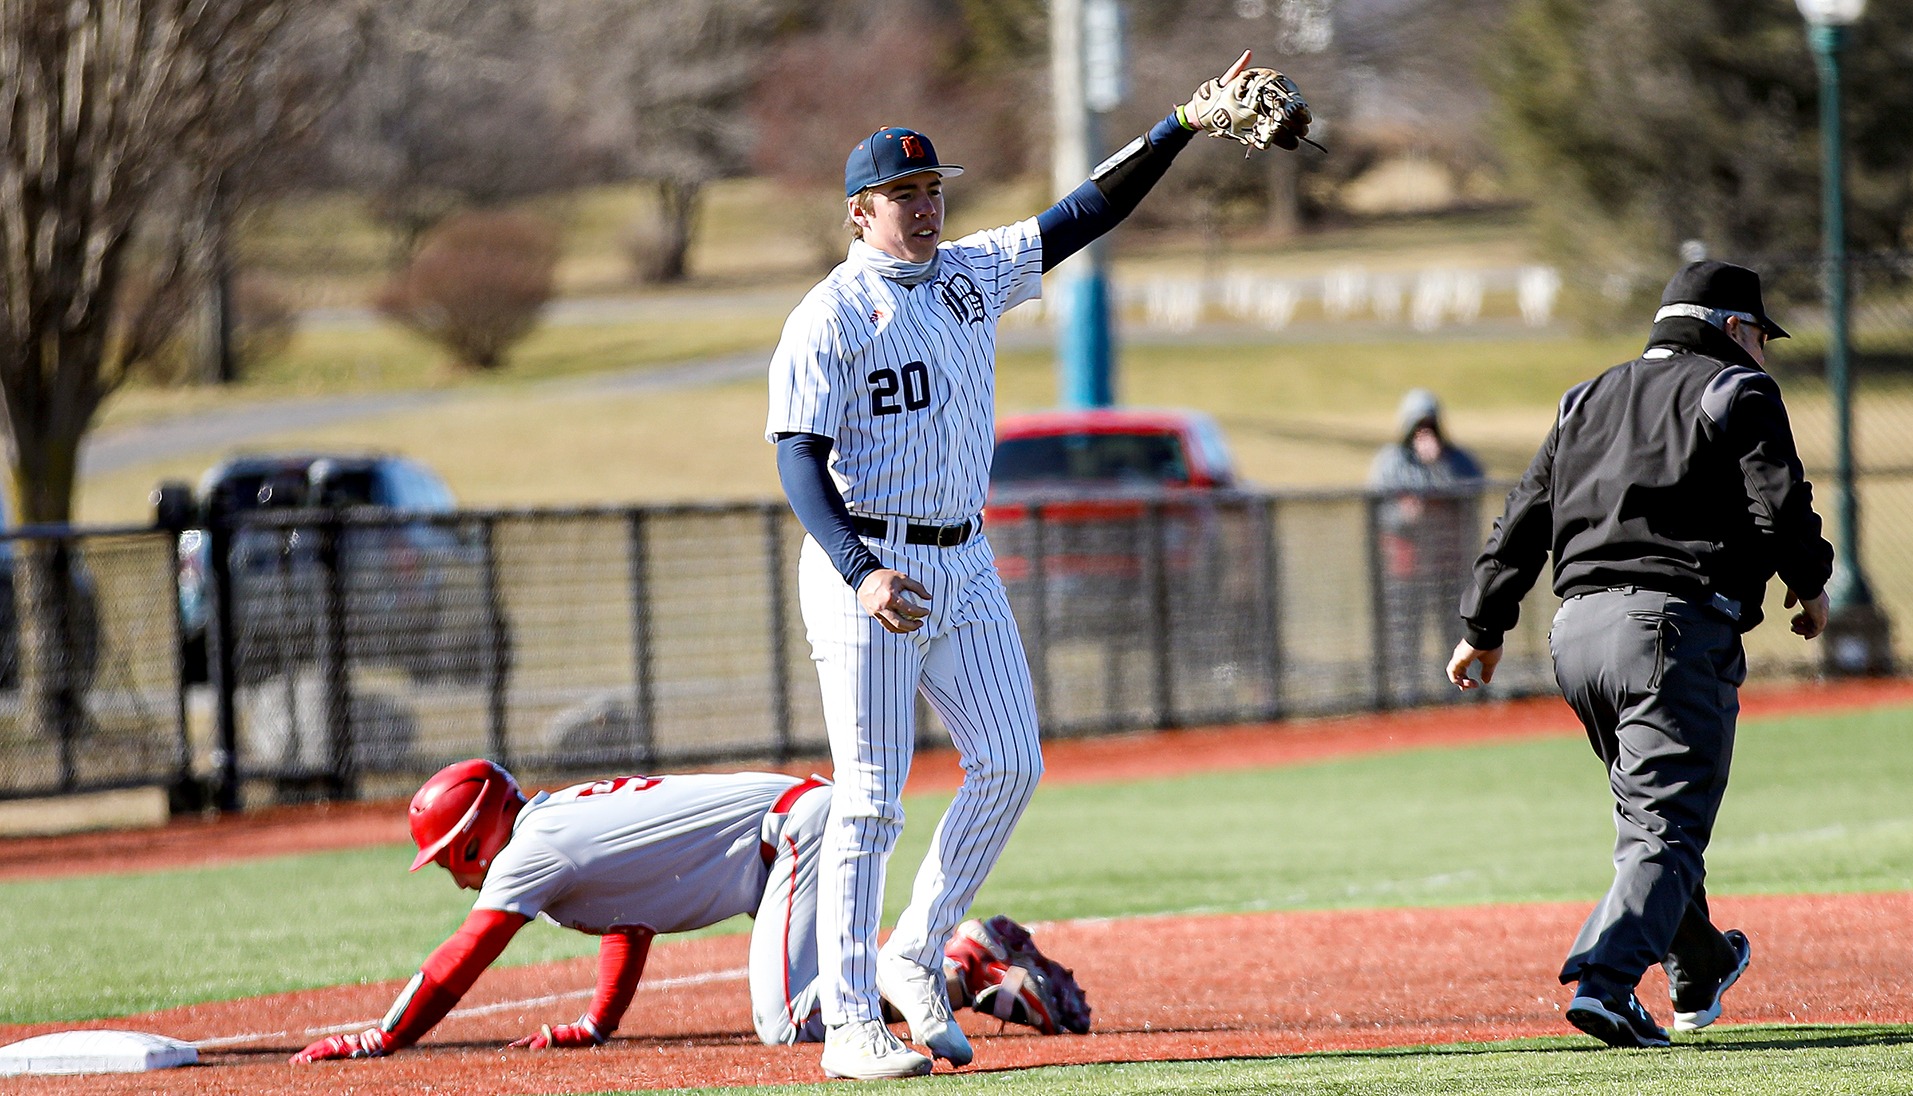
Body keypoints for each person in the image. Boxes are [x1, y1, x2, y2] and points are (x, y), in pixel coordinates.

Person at [765, 53, 1307, 1080]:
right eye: (901, 195)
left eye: (931, 190)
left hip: (961, 558)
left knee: (1010, 761)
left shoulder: (971, 274)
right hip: (868, 561)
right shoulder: (828, 316)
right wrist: (856, 570)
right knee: (872, 797)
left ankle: (914, 952)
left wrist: (1182, 121)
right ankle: (846, 1025)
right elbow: (795, 457)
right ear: (856, 213)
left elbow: (1082, 214)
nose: (923, 208)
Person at [1446, 261, 1834, 1048]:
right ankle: (1606, 982)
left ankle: (1698, 964)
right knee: (1666, 831)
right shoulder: (1738, 391)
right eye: (1761, 335)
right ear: (1732, 328)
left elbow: (1523, 517)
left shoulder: (1583, 398)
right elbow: (1781, 499)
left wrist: (1483, 627)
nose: (1765, 352)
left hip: (1575, 637)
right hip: (1670, 632)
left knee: (1648, 825)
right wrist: (1810, 581)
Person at [289, 760, 1070, 1062]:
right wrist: (599, 1022)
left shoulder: (532, 848)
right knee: (803, 1014)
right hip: (791, 831)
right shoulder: (550, 826)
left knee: (787, 1022)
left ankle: (963, 964)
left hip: (792, 832)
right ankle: (958, 968)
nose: (451, 875)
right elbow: (629, 917)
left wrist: (381, 1037)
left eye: (448, 856)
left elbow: (465, 956)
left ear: (470, 838)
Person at [1367, 388, 1485, 704]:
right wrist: (1408, 515)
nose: (1424, 433)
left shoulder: (1457, 461)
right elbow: (1379, 512)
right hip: (1407, 568)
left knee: (1456, 635)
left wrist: (1436, 467)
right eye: (1418, 426)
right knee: (1406, 638)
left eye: (1430, 425)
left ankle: (1462, 696)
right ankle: (1408, 697)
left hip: (1448, 566)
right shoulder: (1389, 462)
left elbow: (1472, 494)